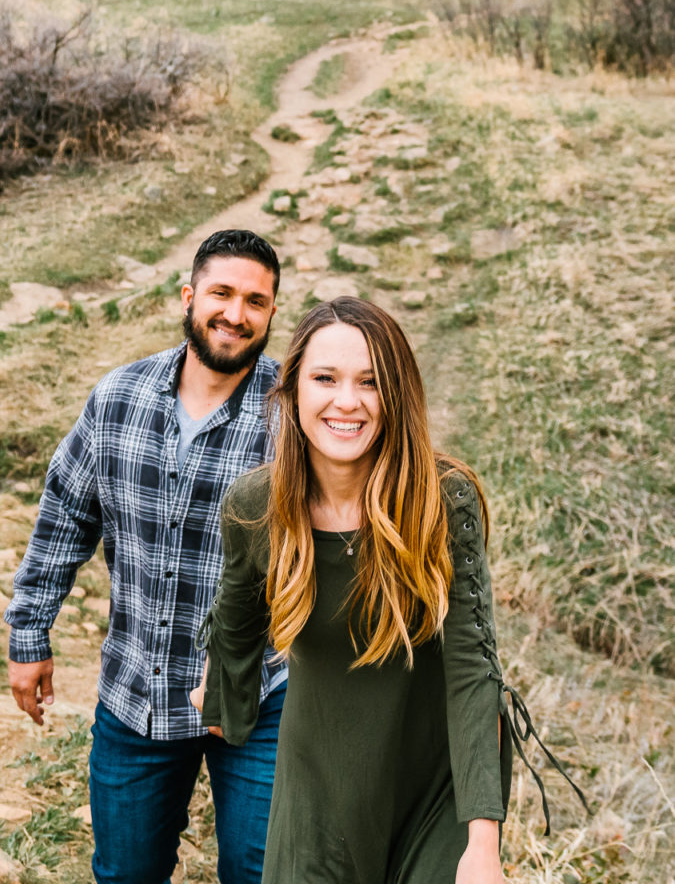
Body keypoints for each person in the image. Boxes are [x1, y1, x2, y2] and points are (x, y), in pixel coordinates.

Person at [196, 297, 584, 884]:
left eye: (371, 383)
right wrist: (223, 695)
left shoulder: (443, 502)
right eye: (325, 378)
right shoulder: (257, 505)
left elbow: (474, 672)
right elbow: (235, 621)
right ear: (294, 387)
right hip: (318, 799)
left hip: (434, 799)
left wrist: (483, 843)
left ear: (396, 396)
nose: (346, 401)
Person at [4, 229, 289, 884]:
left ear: (271, 313)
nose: (235, 314)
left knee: (265, 872)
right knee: (126, 873)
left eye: (255, 300)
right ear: (188, 296)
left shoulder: (293, 413)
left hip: (259, 695)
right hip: (137, 689)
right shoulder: (118, 397)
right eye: (221, 293)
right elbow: (65, 517)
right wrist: (28, 636)